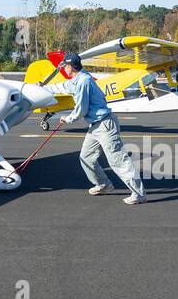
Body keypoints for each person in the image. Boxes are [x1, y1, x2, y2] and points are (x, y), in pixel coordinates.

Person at [54, 53, 146, 205]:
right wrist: (43, 87)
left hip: (104, 125)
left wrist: (67, 118)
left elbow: (81, 110)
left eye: (65, 66)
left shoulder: (83, 81)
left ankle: (139, 194)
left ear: (71, 67)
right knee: (86, 157)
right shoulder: (79, 78)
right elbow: (64, 86)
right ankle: (104, 185)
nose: (64, 68)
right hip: (96, 126)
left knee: (117, 160)